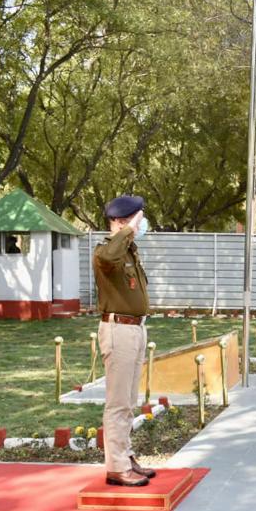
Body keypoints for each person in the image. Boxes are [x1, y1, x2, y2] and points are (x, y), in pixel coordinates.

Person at [94, 195, 156, 487]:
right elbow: (108, 258)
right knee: (118, 402)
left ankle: (125, 456)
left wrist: (129, 234)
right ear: (120, 221)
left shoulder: (129, 252)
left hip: (134, 329)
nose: (141, 226)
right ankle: (116, 466)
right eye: (138, 220)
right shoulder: (106, 251)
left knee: (129, 400)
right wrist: (128, 229)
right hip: (118, 330)